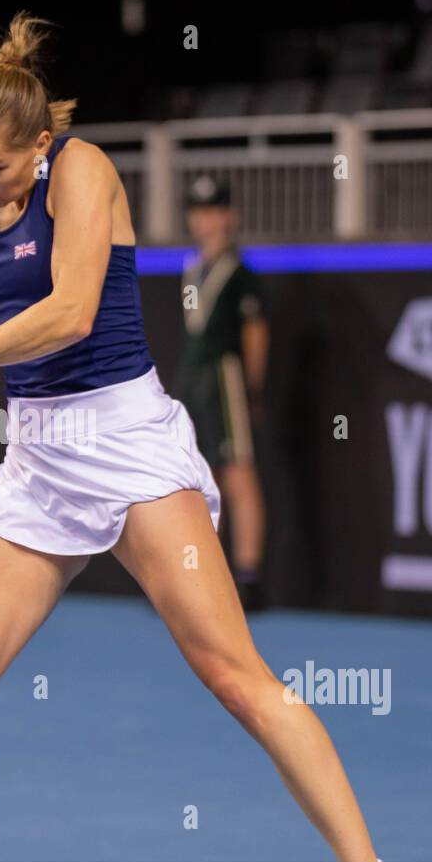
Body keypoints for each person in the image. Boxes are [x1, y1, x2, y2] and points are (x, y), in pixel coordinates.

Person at [0, 11, 380, 862]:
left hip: (128, 446)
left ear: (42, 143)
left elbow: (72, 314)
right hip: (38, 464)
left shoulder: (84, 173)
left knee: (236, 678)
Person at [175, 176, 269, 610]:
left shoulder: (240, 274)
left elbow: (254, 332)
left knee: (237, 472)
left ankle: (248, 576)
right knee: (194, 478)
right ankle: (197, 575)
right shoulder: (191, 270)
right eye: (198, 212)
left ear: (228, 216)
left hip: (225, 378)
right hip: (193, 378)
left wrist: (252, 387)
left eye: (213, 211)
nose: (206, 220)